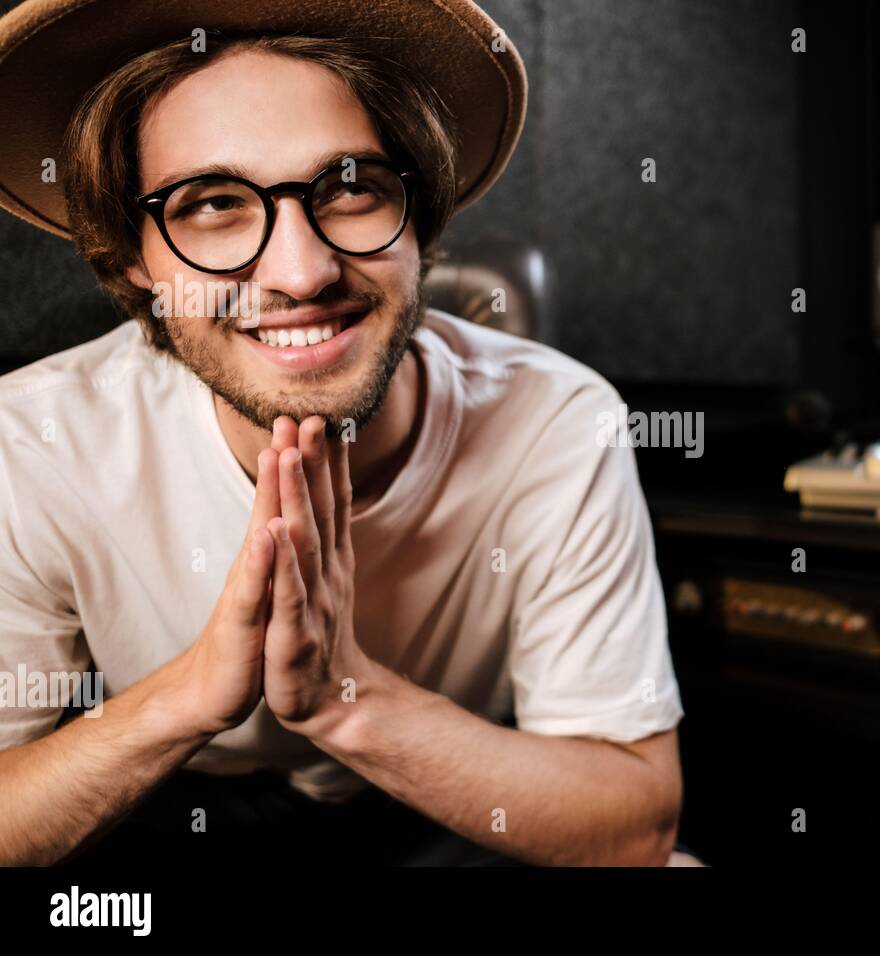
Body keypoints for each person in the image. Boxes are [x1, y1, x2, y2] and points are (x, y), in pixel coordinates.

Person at [0, 0, 689, 866]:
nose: (299, 272)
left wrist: (341, 702)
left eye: (353, 186)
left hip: (447, 800)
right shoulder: (34, 440)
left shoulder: (555, 422)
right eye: (213, 202)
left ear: (422, 215)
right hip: (160, 806)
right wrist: (188, 698)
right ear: (134, 257)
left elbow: (635, 821)